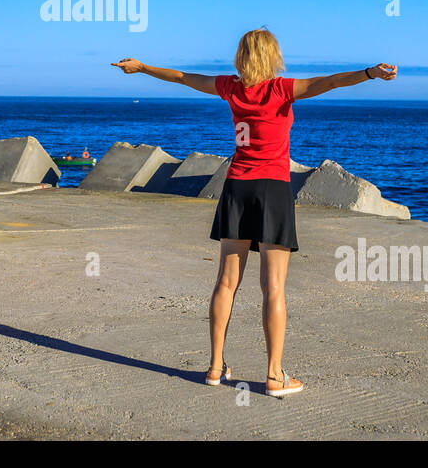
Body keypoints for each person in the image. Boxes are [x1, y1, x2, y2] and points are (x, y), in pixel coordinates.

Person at [112, 28, 397, 397]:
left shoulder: (231, 88)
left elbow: (184, 78)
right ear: (272, 55)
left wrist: (141, 67)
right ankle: (275, 376)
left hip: (237, 188)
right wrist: (370, 73)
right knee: (273, 287)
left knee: (226, 283)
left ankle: (215, 367)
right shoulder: (282, 90)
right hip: (272, 189)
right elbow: (329, 82)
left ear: (242, 56)